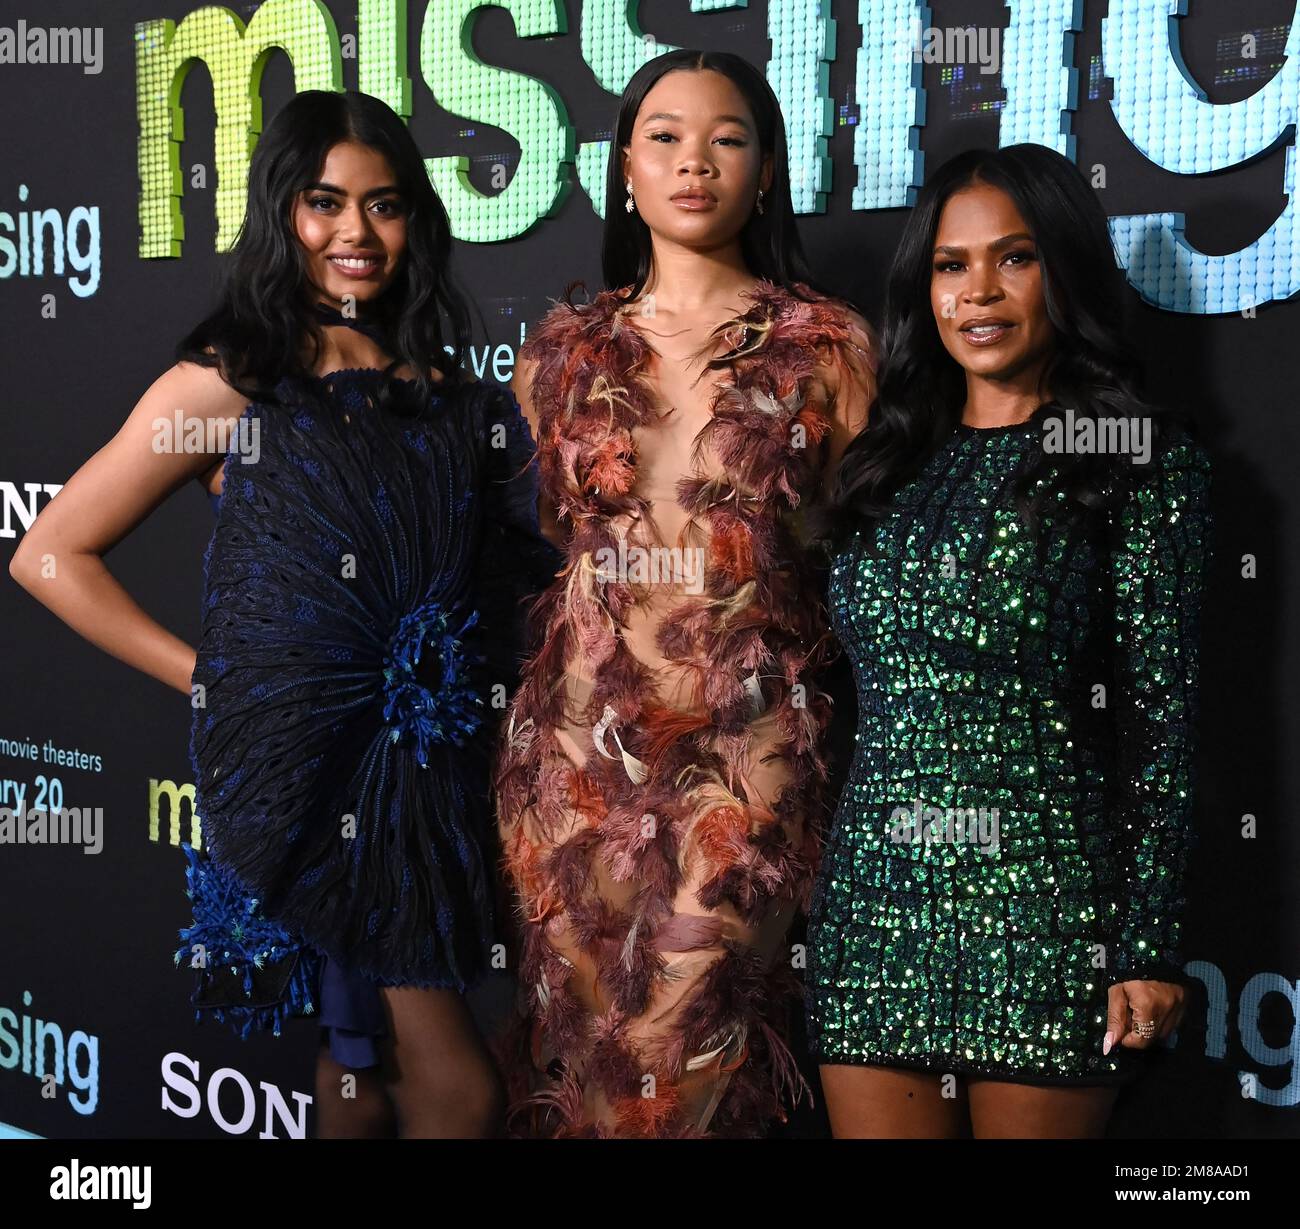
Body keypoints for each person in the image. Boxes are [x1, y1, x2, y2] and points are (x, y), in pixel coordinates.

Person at [9, 89, 551, 1138]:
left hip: (432, 771)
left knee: (356, 1060)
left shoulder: (449, 392)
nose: (355, 232)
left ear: (416, 220)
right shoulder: (236, 384)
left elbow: (516, 573)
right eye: (324, 202)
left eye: (384, 205)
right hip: (310, 773)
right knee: (460, 1088)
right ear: (280, 213)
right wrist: (214, 680)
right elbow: (48, 553)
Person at [493, 49, 876, 1137]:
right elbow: (570, 539)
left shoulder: (829, 348)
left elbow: (840, 543)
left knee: (681, 1078)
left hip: (742, 762)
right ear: (624, 169)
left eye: (726, 137)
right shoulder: (560, 353)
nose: (692, 161)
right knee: (584, 1070)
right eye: (663, 136)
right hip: (570, 763)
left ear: (765, 170)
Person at [807, 144, 1212, 1138]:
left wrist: (1148, 943)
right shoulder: (884, 463)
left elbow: (1164, 726)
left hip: (1048, 913)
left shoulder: (1130, 458)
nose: (977, 292)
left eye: (1014, 259)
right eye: (950, 264)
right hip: (875, 910)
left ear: (1064, 271)